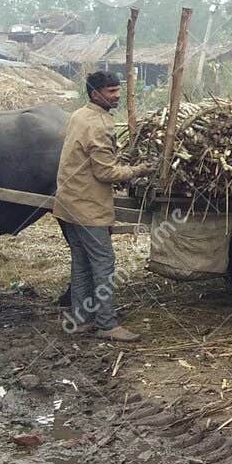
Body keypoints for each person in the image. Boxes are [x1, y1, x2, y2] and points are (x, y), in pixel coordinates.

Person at [53, 70, 150, 341]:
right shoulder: (98, 125)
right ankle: (107, 324)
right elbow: (105, 174)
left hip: (68, 201)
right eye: (111, 91)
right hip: (88, 206)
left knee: (81, 261)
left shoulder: (79, 115)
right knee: (104, 263)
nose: (117, 95)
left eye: (118, 90)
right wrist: (139, 170)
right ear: (95, 93)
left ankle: (80, 319)